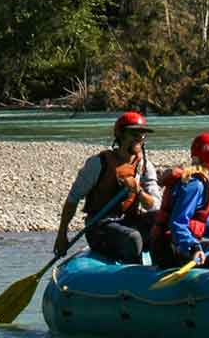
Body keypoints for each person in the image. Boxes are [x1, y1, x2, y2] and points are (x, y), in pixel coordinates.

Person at [54, 110, 160, 264]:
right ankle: (133, 277)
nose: (139, 138)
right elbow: (73, 199)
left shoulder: (145, 166)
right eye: (134, 134)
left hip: (129, 222)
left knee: (161, 222)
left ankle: (161, 266)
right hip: (100, 226)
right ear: (120, 135)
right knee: (133, 238)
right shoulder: (98, 163)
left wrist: (139, 192)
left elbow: (154, 205)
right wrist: (62, 235)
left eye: (142, 134)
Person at [150, 132, 209, 270]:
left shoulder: (198, 181)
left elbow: (197, 219)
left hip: (180, 244)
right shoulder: (194, 185)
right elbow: (178, 222)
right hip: (172, 249)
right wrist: (194, 247)